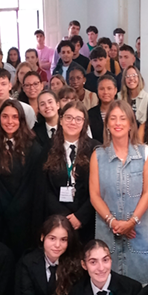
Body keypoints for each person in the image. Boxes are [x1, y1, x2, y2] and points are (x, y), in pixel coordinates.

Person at [89, 101, 148, 283]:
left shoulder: (145, 153)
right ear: (107, 124)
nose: (117, 123)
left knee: (141, 288)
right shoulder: (98, 155)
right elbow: (95, 195)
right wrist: (113, 222)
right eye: (113, 118)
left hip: (138, 233)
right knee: (110, 286)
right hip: (107, 233)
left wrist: (131, 222)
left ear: (131, 124)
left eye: (122, 118)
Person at [0, 99, 42, 256]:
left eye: (15, 117)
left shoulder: (33, 148)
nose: (9, 121)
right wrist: (3, 208)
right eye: (5, 116)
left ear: (21, 120)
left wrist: (16, 209)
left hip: (24, 218)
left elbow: (33, 184)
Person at [40, 102, 95, 243]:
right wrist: (63, 217)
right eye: (68, 117)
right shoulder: (48, 147)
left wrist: (81, 216)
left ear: (84, 123)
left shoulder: (95, 149)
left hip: (87, 221)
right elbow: (43, 187)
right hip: (56, 219)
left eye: (78, 119)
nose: (73, 122)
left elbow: (99, 189)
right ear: (61, 120)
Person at [85, 75, 120, 145]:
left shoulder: (123, 112)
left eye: (109, 88)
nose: (105, 92)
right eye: (102, 89)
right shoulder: (90, 114)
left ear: (115, 90)